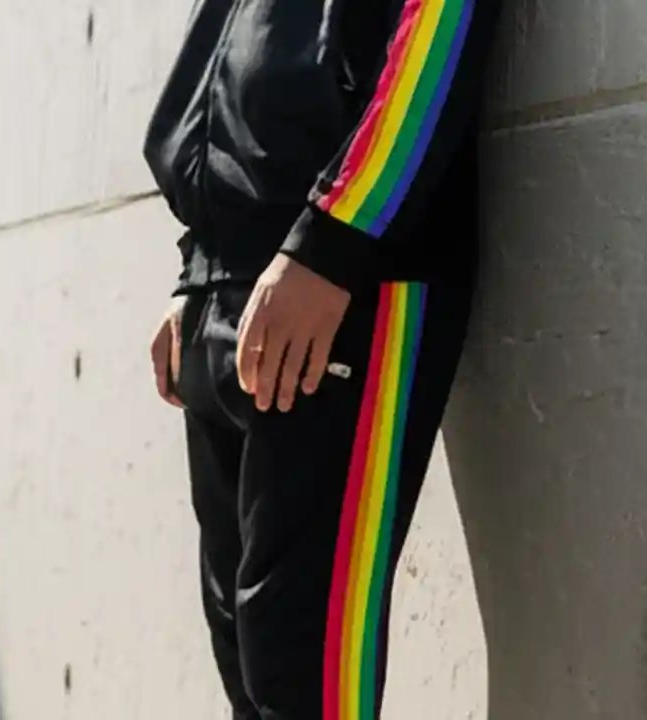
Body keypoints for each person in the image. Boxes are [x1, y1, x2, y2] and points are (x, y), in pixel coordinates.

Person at [144, 1, 498, 717]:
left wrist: (333, 241)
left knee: (302, 671)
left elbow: (441, 29)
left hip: (342, 283)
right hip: (229, 281)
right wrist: (198, 268)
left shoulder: (337, 254)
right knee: (244, 652)